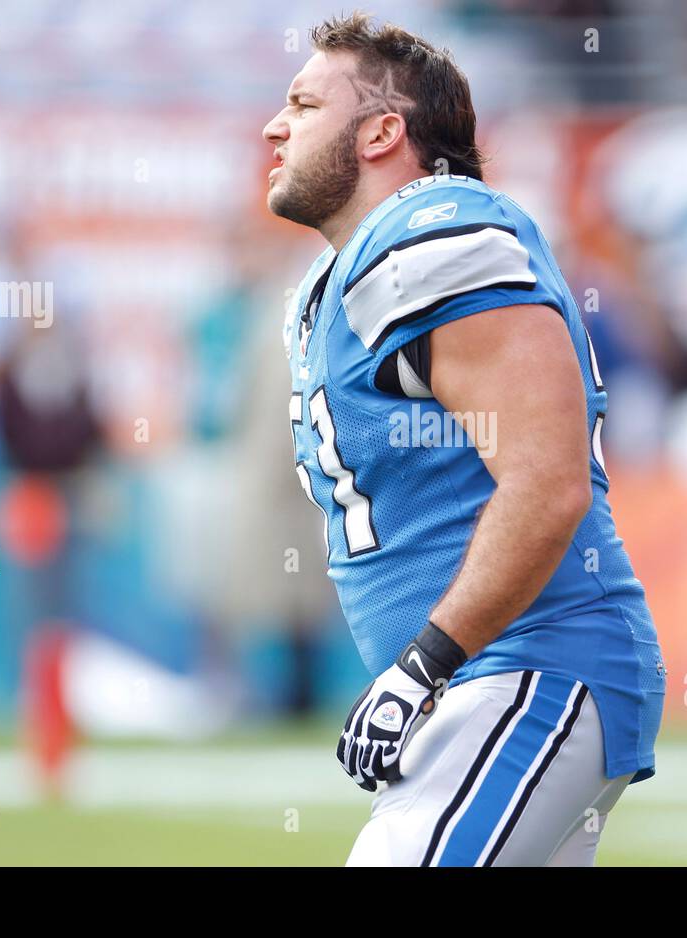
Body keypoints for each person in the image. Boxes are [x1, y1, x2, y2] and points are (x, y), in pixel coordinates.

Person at [261, 13, 665, 866]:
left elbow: (546, 482)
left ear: (381, 132)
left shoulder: (435, 230)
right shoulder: (337, 278)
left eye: (303, 102)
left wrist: (421, 665)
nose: (275, 124)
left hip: (534, 662)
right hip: (486, 678)